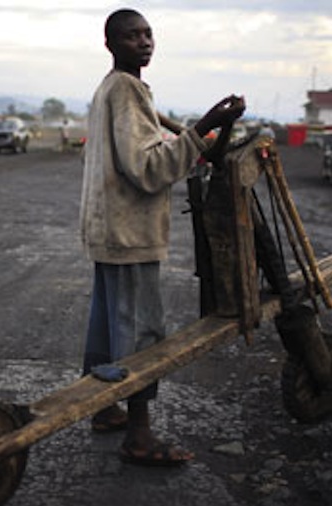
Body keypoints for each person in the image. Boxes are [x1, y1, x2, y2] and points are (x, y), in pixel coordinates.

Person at [80, 8, 245, 466]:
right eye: (132, 36)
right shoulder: (127, 91)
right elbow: (148, 168)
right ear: (111, 45)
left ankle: (105, 408)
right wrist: (204, 124)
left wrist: (203, 132)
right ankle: (139, 435)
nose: (145, 42)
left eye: (148, 34)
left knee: (109, 319)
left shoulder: (113, 89)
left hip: (108, 227)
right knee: (140, 331)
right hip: (129, 231)